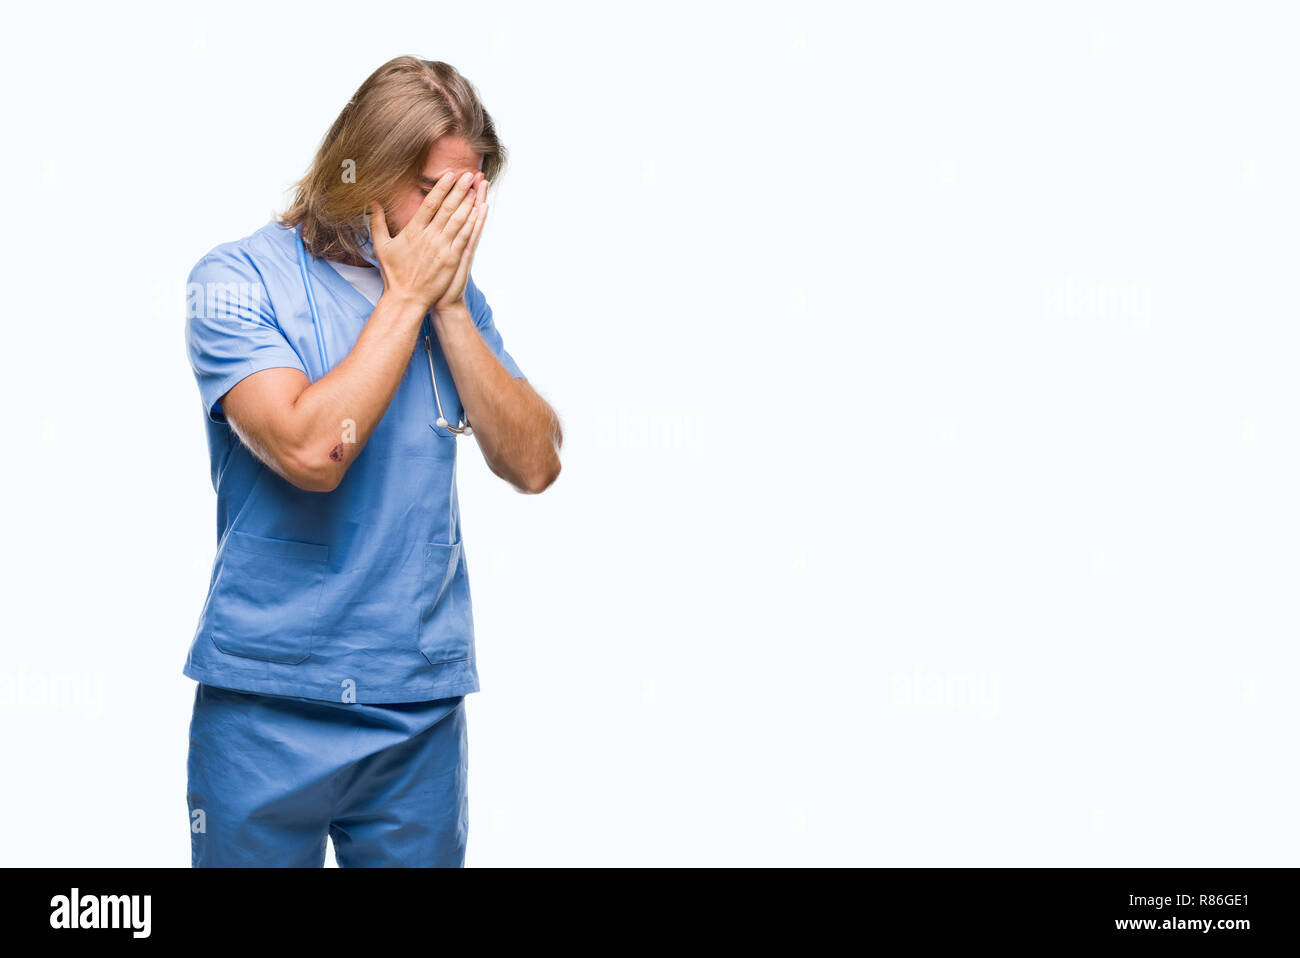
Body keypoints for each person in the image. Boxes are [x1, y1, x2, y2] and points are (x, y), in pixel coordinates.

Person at [182, 56, 562, 867]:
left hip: (415, 706)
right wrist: (406, 299)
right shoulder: (235, 280)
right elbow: (312, 448)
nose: (456, 216)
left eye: (472, 191)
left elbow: (535, 463)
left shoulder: (451, 299)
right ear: (367, 169)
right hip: (265, 699)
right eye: (434, 190)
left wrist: (450, 307)